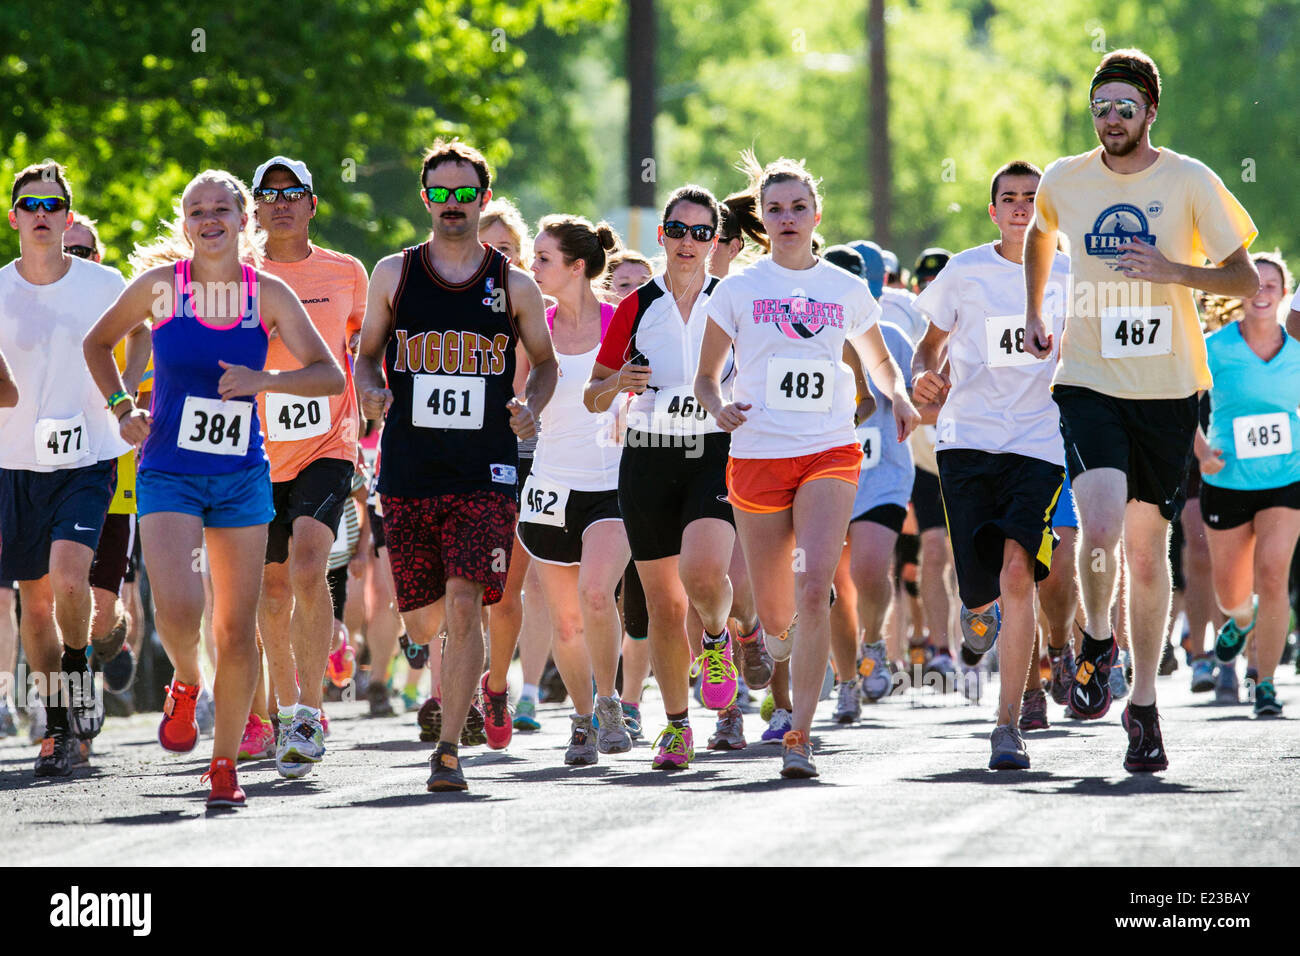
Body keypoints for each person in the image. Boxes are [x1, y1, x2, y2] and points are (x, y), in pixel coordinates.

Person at [1023, 48, 1259, 772]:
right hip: (1089, 379)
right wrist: (1034, 309)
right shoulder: (1065, 178)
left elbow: (1245, 279)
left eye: (1125, 107)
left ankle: (1145, 706)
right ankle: (1098, 637)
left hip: (1168, 387)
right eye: (1101, 109)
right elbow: (1039, 232)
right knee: (1096, 525)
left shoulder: (1189, 180)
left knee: (1148, 557)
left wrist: (1172, 271)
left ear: (1150, 112)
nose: (1112, 120)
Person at [85, 168, 344, 807]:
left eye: (222, 209)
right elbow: (97, 344)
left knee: (236, 628)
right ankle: (184, 679)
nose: (210, 219)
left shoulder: (269, 295)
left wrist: (264, 383)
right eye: (197, 209)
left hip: (240, 477)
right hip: (168, 470)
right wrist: (122, 408)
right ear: (184, 224)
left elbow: (330, 377)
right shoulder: (159, 289)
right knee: (178, 611)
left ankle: (224, 763)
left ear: (242, 219)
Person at [696, 152, 919, 779]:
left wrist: (898, 395)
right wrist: (718, 407)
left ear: (816, 215)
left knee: (815, 584)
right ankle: (765, 656)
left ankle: (799, 734)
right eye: (775, 209)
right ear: (763, 221)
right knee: (773, 616)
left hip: (829, 449)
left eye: (798, 208)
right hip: (759, 453)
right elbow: (706, 377)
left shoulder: (843, 289)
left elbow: (879, 363)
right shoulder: (738, 290)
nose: (787, 218)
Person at [355, 139, 556, 792]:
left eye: (464, 192)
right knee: (425, 618)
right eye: (439, 193)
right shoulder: (395, 274)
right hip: (409, 467)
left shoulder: (512, 284)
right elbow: (367, 354)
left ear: (483, 198)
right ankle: (424, 648)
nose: (452, 204)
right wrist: (372, 389)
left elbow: (547, 363)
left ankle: (448, 746)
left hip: (484, 471)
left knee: (467, 600)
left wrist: (530, 403)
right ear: (425, 199)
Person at [913, 160, 1072, 768]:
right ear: (993, 210)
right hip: (966, 438)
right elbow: (931, 342)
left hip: (1038, 441)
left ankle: (1009, 725)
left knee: (1017, 573)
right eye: (1008, 198)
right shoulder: (967, 269)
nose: (1020, 207)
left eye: (1033, 197)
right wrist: (925, 373)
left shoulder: (1069, 273)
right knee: (979, 584)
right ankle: (976, 609)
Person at [585, 184, 739, 771]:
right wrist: (615, 385)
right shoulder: (635, 305)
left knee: (703, 575)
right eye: (678, 231)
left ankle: (719, 638)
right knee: (662, 604)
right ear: (662, 236)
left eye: (702, 233)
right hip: (647, 455)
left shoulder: (731, 300)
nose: (688, 243)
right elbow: (592, 396)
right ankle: (677, 727)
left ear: (715, 241)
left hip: (713, 451)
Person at [1, 162, 129, 777]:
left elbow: (152, 331)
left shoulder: (104, 283)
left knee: (71, 581)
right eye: (31, 205)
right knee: (34, 603)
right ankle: (56, 725)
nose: (42, 214)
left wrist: (132, 400)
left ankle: (77, 672)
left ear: (69, 217)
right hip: (12, 462)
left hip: (87, 456)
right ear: (15, 218)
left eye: (53, 205)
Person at [245, 155, 368, 779]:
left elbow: (363, 350)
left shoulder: (346, 272)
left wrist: (372, 405)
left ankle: (311, 715)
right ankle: (283, 706)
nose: (282, 203)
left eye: (295, 193)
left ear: (313, 204)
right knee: (269, 587)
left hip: (329, 443)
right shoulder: (239, 275)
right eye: (270, 194)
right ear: (256, 209)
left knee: (309, 561)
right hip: (255, 449)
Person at [520, 214, 632, 762]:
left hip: (613, 484)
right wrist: (516, 415)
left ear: (576, 266)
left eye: (543, 259)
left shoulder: (621, 323)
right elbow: (514, 397)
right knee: (565, 622)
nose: (532, 266)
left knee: (595, 594)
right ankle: (582, 720)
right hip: (549, 485)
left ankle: (610, 704)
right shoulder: (532, 326)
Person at [1196, 253, 1299, 717]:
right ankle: (1242, 619)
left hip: (1287, 479)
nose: (1262, 292)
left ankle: (1267, 683)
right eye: (1254, 284)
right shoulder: (1212, 348)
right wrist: (1200, 450)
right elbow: (1175, 403)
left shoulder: (1297, 352)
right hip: (1228, 480)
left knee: (1274, 575)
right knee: (1231, 597)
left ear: (1284, 293)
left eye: (1271, 284)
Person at [63, 214, 152, 708]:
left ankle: (108, 640)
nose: (72, 261)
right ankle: (75, 706)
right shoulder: (30, 302)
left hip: (115, 478)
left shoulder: (114, 307)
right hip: (47, 474)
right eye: (65, 250)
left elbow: (144, 338)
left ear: (97, 259)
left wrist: (123, 392)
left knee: (100, 606)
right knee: (60, 592)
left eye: (82, 253)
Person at [476, 199, 552, 734]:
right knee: (465, 585)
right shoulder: (442, 306)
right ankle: (464, 682)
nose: (495, 258)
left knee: (508, 588)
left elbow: (550, 372)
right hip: (463, 457)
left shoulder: (535, 305)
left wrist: (529, 408)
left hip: (526, 457)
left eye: (505, 249)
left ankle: (504, 689)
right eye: (487, 248)